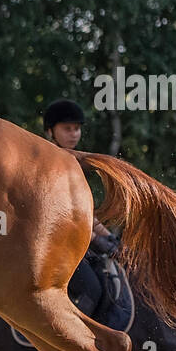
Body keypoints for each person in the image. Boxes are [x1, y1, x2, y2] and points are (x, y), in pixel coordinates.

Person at [43, 98, 123, 315]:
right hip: (51, 245)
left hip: (75, 245)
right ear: (51, 131)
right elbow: (61, 215)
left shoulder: (75, 163)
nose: (74, 134)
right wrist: (96, 241)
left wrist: (111, 239)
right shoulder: (47, 163)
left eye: (77, 129)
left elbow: (84, 212)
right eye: (67, 128)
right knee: (91, 290)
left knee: (107, 280)